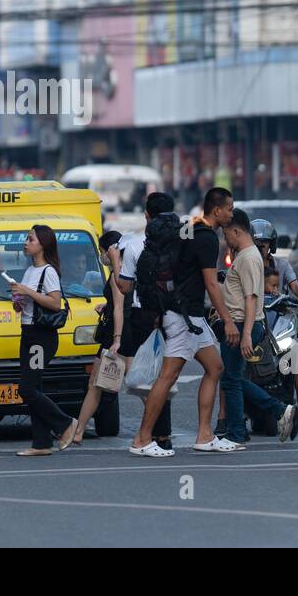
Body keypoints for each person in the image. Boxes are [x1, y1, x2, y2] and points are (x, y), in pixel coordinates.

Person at [130, 186, 242, 456]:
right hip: (183, 316)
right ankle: (142, 440)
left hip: (185, 313)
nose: (231, 213)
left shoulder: (190, 229)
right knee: (168, 376)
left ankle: (205, 435)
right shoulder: (206, 238)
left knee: (215, 367)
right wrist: (227, 320)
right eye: (229, 208)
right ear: (217, 210)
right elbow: (211, 284)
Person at [217, 209, 295, 444]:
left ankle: (271, 414)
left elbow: (251, 297)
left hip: (242, 324)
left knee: (231, 379)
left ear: (236, 230)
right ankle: (243, 428)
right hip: (241, 324)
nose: (225, 239)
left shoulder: (249, 257)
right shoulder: (246, 255)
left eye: (225, 233)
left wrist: (247, 334)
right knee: (233, 379)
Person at [113, 192, 176, 454]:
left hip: (144, 314)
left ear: (147, 215)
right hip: (176, 312)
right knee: (167, 374)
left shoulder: (136, 245)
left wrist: (115, 262)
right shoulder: (183, 242)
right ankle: (164, 435)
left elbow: (125, 286)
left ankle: (151, 435)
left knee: (151, 376)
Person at [10, 225, 78, 456]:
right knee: (34, 387)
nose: (26, 242)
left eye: (30, 239)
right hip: (28, 333)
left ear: (43, 244)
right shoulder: (30, 270)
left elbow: (55, 303)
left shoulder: (48, 271)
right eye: (26, 238)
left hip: (41, 337)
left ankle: (66, 423)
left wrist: (27, 292)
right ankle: (41, 443)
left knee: (26, 389)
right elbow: (27, 304)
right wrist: (18, 300)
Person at [250, 217, 298, 432]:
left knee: (296, 355)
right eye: (256, 243)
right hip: (252, 323)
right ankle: (230, 417)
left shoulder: (282, 264)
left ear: (272, 244)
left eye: (264, 244)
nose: (260, 248)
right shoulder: (246, 263)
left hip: (279, 322)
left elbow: (294, 284)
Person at [71, 230, 123, 444]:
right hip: (113, 334)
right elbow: (117, 304)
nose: (101, 256)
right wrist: (107, 305)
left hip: (117, 336)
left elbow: (120, 307)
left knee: (138, 384)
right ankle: (79, 430)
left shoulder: (118, 275)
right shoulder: (121, 272)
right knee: (97, 384)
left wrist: (118, 339)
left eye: (102, 251)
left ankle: (152, 433)